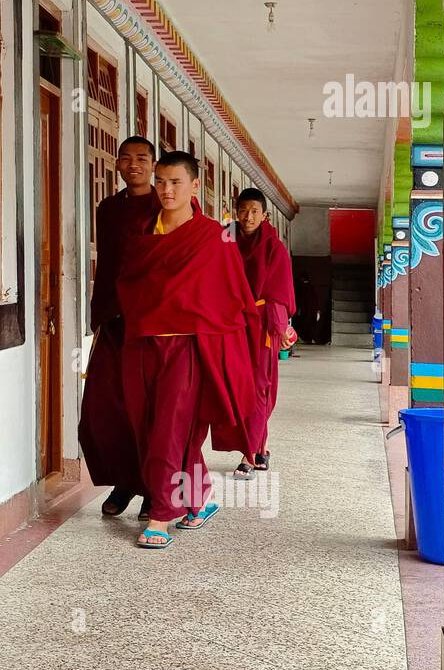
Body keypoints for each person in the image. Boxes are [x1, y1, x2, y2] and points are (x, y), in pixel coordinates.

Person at [115, 151, 258, 550]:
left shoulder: (215, 237)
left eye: (175, 182)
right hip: (143, 344)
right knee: (148, 427)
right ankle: (200, 497)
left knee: (170, 429)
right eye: (160, 181)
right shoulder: (144, 232)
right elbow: (128, 286)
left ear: (195, 186)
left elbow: (233, 299)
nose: (166, 190)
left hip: (189, 349)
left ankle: (162, 513)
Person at [77, 136, 160, 519]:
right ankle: (124, 480)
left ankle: (150, 487)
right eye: (125, 159)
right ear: (117, 165)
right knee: (105, 405)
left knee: (148, 406)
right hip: (113, 317)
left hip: (152, 319)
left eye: (141, 159)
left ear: (154, 164)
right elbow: (107, 263)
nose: (133, 165)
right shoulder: (108, 208)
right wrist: (99, 313)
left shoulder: (165, 206)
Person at [230, 189, 296, 478]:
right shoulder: (225, 239)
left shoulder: (273, 247)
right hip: (231, 324)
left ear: (265, 215)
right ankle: (260, 448)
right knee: (237, 388)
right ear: (235, 212)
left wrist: (280, 327)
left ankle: (249, 452)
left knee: (259, 388)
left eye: (255, 211)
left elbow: (279, 293)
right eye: (243, 210)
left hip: (262, 325)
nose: (248, 217)